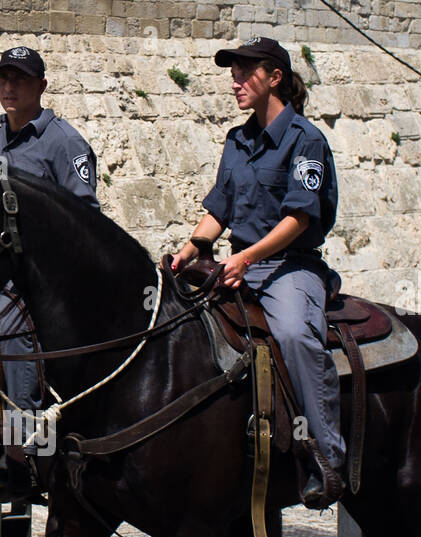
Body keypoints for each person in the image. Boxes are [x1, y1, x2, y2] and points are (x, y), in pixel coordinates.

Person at [170, 36, 347, 509]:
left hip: (289, 266)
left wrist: (244, 259)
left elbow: (299, 218)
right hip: (236, 265)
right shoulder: (237, 140)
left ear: (275, 78)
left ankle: (326, 458)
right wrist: (188, 249)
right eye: (233, 72)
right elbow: (219, 209)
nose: (236, 81)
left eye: (247, 71)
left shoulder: (306, 139)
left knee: (293, 334)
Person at [0, 46, 99, 498]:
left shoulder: (64, 143)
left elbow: (86, 219)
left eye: (21, 80)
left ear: (41, 87)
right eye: (4, 78)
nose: (10, 87)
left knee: (10, 321)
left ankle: (20, 451)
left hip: (48, 277)